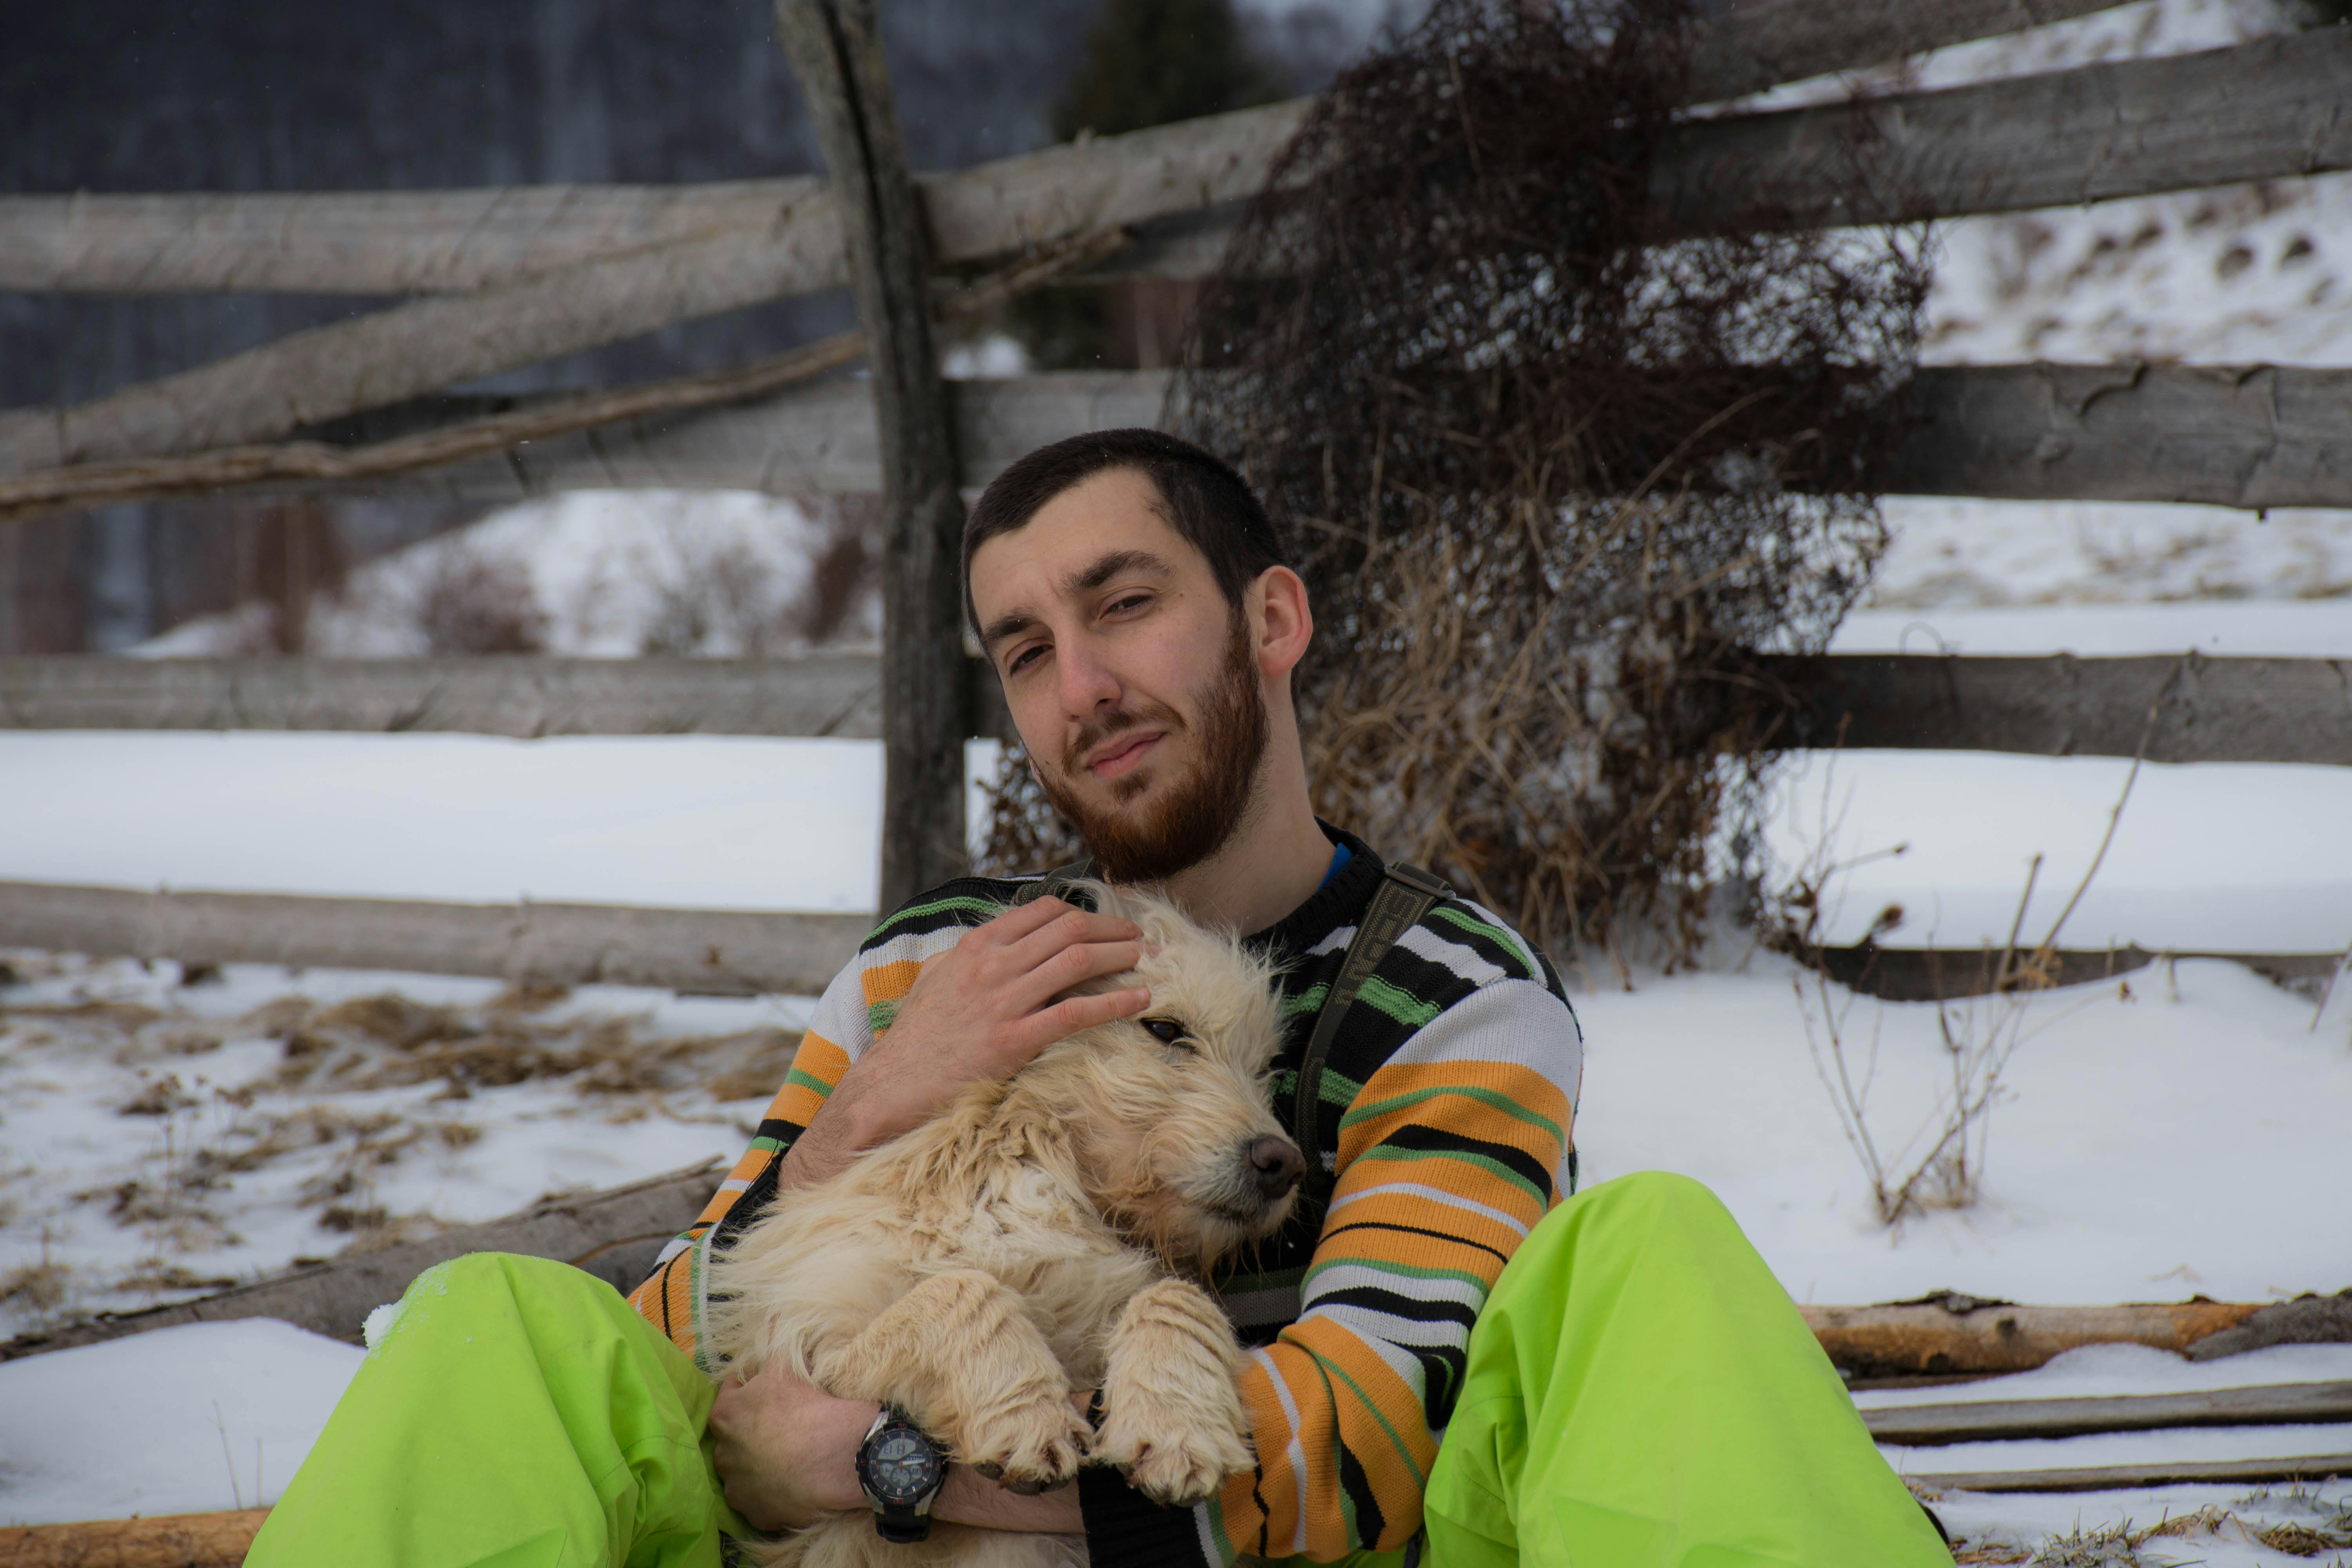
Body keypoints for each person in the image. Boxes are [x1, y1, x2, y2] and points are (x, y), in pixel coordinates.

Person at [248, 430, 1951, 1568]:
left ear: (1272, 618)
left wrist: (888, 1467)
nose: (1083, 686)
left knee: (1646, 1257)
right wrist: (867, 1111)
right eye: (1026, 647)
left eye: (1123, 603)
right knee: (501, 1325)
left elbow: (1374, 1434)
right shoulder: (925, 966)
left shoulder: (1453, 999)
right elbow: (703, 1363)